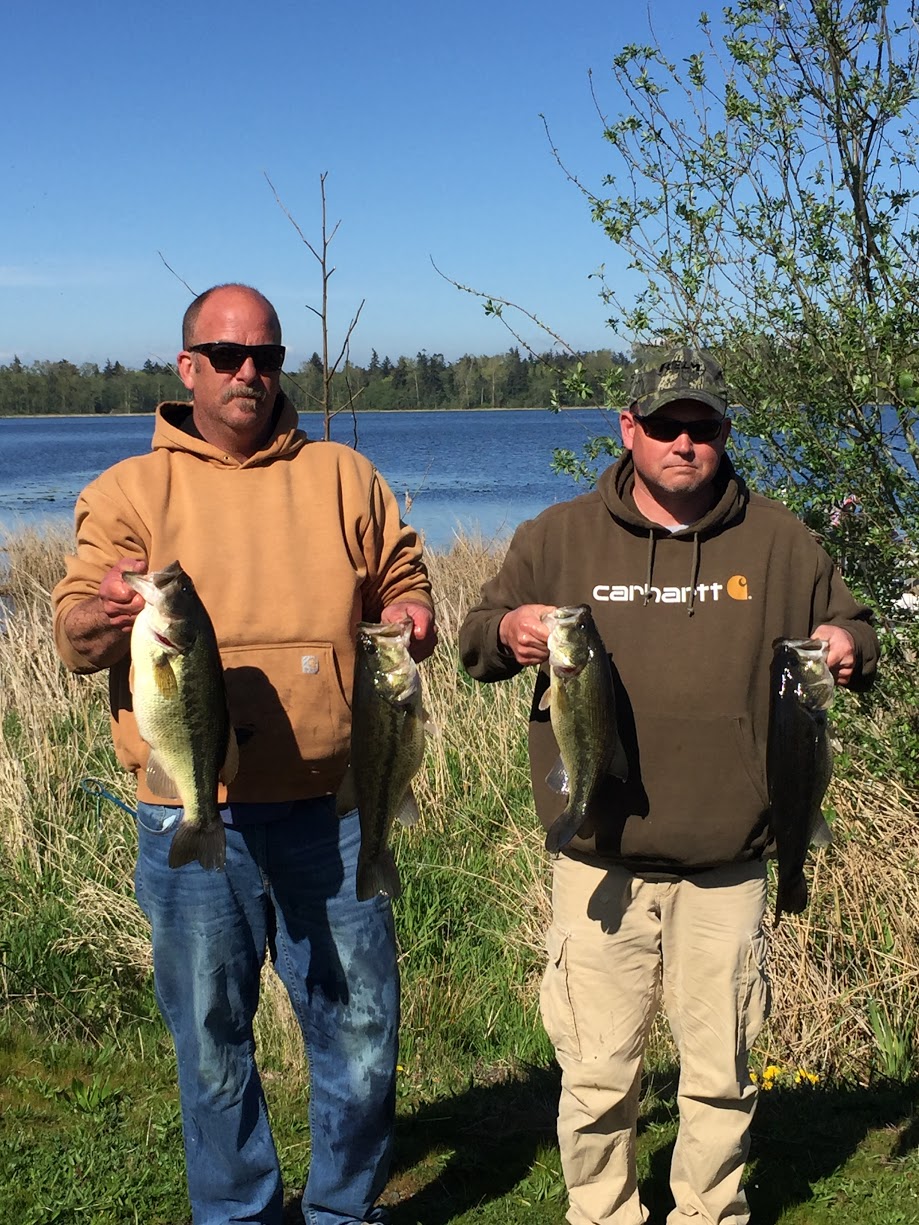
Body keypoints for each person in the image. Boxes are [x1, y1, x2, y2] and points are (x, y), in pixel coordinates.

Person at [458, 344, 878, 1225]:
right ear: (628, 428)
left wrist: (847, 644)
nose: (683, 443)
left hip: (729, 861)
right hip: (597, 855)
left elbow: (853, 627)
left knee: (721, 1073)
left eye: (703, 427)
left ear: (724, 433)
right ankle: (601, 1212)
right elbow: (475, 640)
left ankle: (707, 1213)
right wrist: (510, 629)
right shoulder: (558, 536)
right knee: (596, 1072)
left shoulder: (779, 540)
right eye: (664, 425)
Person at [52, 283, 436, 1225]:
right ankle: (238, 1213)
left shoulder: (343, 474)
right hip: (188, 809)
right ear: (188, 367)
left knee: (361, 1026)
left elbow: (401, 573)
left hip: (333, 808)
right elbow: (72, 636)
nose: (249, 373)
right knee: (213, 1040)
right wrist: (107, 611)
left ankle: (344, 1208)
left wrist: (411, 609)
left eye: (266, 356)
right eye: (227, 356)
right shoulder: (128, 490)